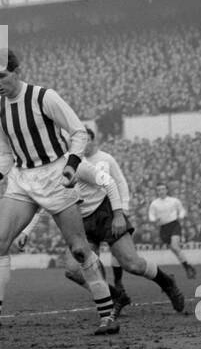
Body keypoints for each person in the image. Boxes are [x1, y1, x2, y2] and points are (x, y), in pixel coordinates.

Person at [0, 49, 118, 338]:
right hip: (23, 179)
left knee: (78, 248)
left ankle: (108, 314)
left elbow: (78, 133)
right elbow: (4, 153)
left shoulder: (43, 98)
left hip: (55, 174)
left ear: (16, 72)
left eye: (1, 76)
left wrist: (72, 165)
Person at [20, 125, 186, 315]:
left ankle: (167, 282)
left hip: (104, 214)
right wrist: (25, 231)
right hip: (79, 222)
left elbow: (110, 182)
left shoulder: (77, 165)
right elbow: (41, 204)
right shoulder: (44, 174)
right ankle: (116, 297)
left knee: (133, 264)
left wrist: (118, 214)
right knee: (73, 270)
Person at [147, 184, 196, 278]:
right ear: (157, 191)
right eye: (159, 190)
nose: (161, 191)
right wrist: (154, 220)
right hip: (163, 228)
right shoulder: (154, 203)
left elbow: (182, 210)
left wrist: (180, 216)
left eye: (162, 189)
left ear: (167, 190)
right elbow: (151, 215)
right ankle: (188, 267)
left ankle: (188, 268)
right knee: (175, 250)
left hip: (174, 225)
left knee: (175, 246)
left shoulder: (174, 201)